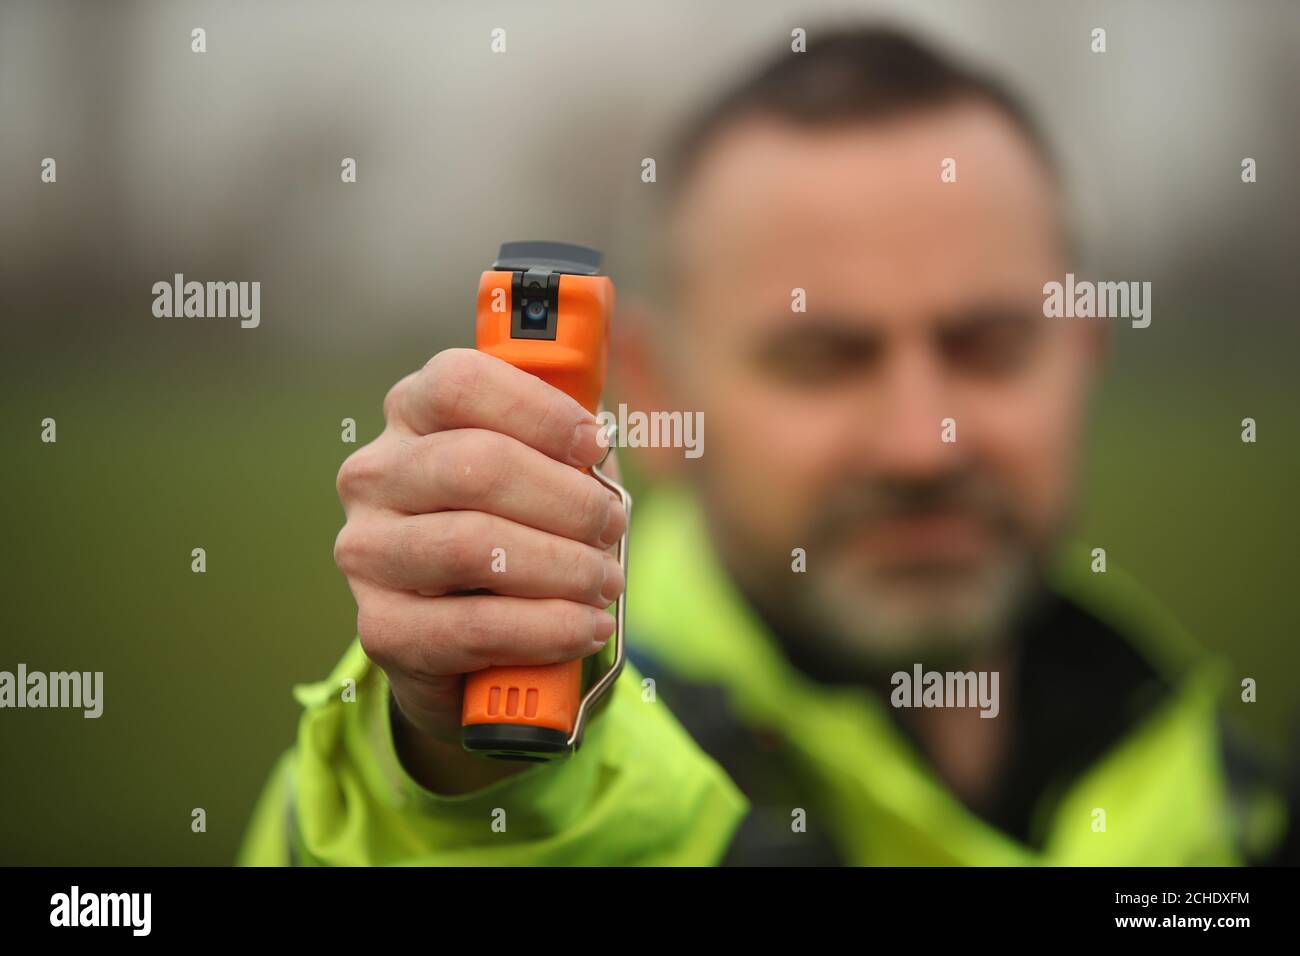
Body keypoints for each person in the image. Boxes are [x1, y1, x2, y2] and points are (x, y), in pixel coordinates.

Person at [238, 26, 1294, 865]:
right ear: (651, 394)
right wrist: (455, 763)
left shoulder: (1238, 802)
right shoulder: (560, 786)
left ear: (1081, 355)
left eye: (987, 347)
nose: (921, 444)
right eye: (821, 358)